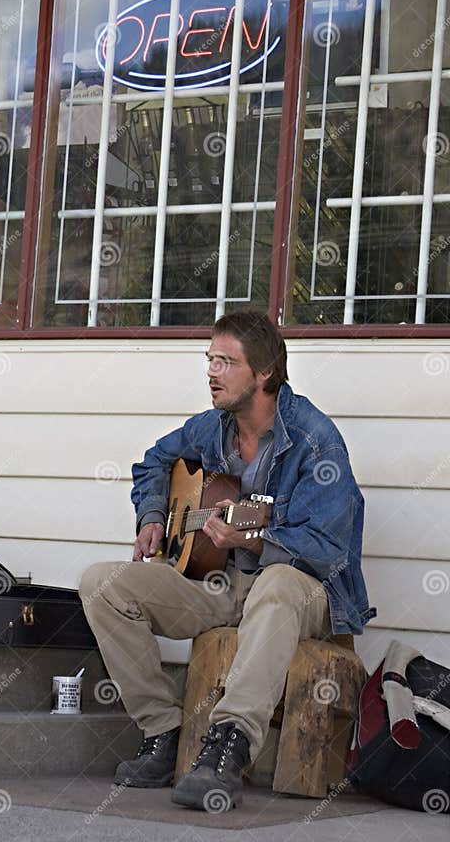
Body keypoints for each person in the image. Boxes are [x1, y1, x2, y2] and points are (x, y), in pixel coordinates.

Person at [80, 308, 375, 812]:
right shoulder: (211, 427)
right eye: (209, 359)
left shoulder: (315, 440)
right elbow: (153, 460)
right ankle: (163, 733)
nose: (211, 372)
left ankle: (229, 743)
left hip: (305, 592)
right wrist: (153, 515)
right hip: (224, 583)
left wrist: (255, 540)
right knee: (102, 583)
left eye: (225, 362)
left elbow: (326, 550)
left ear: (263, 373)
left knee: (278, 581)